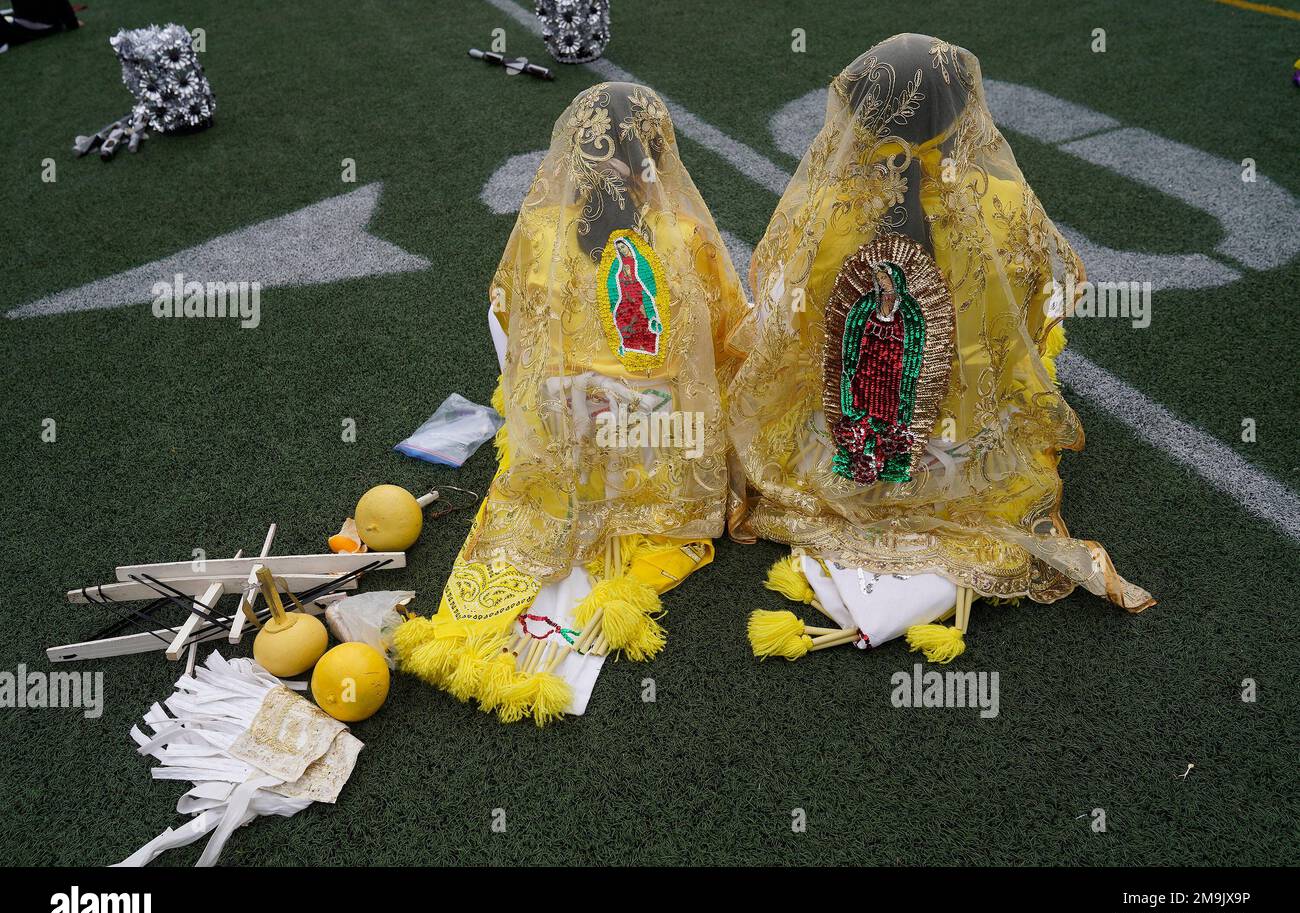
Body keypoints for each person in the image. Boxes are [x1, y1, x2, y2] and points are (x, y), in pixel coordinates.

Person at [728, 34, 1153, 665]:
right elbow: (1034, 319)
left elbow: (787, 333)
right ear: (965, 113)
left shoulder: (824, 207)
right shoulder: (1004, 201)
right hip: (963, 455)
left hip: (846, 446)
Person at [394, 82, 749, 723]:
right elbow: (729, 339)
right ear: (658, 155)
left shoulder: (540, 228)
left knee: (535, 497)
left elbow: (506, 319)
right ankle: (607, 595)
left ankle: (473, 640)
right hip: (662, 450)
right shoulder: (687, 234)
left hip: (564, 437)